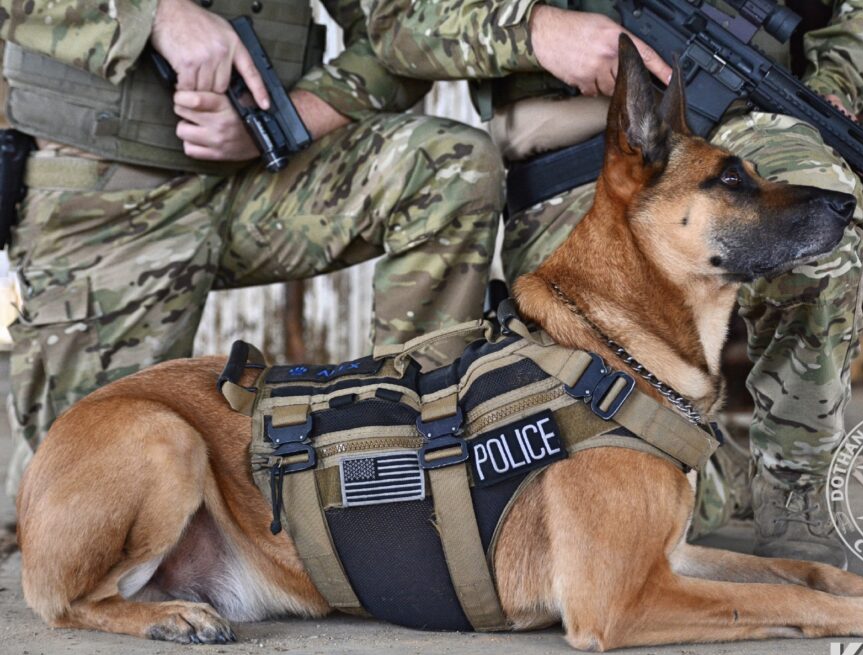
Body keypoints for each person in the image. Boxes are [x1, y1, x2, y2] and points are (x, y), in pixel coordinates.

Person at [364, 0, 863, 567]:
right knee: (638, 500)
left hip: (747, 103)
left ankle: (794, 480)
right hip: (570, 139)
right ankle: (714, 466)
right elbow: (394, 26)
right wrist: (534, 31)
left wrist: (831, 84)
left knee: (815, 216)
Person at [1, 0, 504, 496]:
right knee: (95, 485)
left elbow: (404, 30)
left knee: (449, 167)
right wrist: (154, 15)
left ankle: (413, 447)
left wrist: (287, 120)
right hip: (104, 197)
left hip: (264, 176)